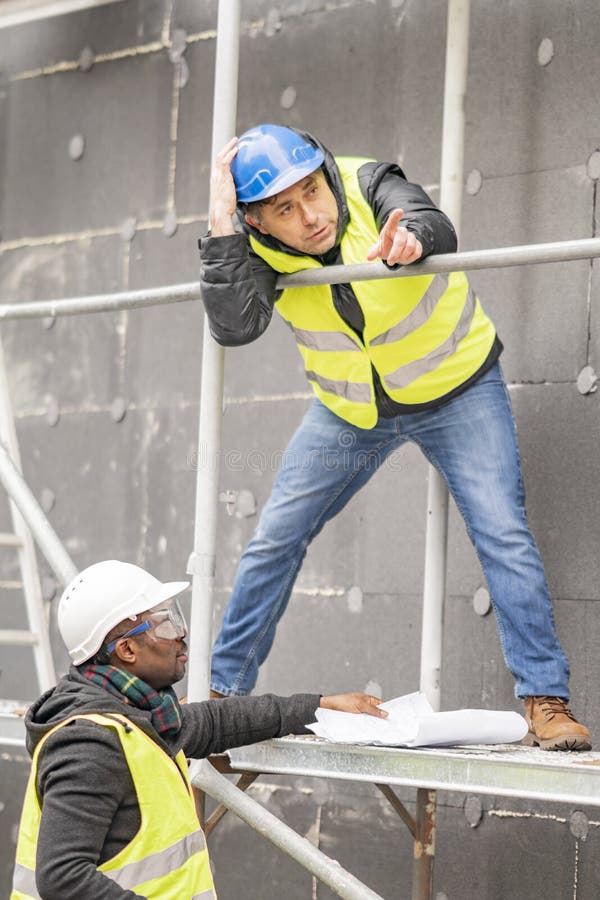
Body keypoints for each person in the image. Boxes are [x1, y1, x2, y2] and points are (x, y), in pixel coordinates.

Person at [198, 123, 591, 753]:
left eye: (311, 191)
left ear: (325, 173)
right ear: (256, 221)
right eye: (285, 209)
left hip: (458, 388)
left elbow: (431, 223)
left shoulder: (367, 181)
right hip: (351, 410)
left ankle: (546, 699)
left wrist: (412, 239)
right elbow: (235, 326)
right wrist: (221, 223)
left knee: (502, 533)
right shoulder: (252, 245)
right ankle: (222, 699)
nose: (311, 215)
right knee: (275, 538)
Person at [11, 560, 386, 900]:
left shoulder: (138, 717)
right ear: (127, 650)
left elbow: (217, 721)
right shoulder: (90, 743)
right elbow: (62, 876)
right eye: (165, 623)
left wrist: (318, 707)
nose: (182, 633)